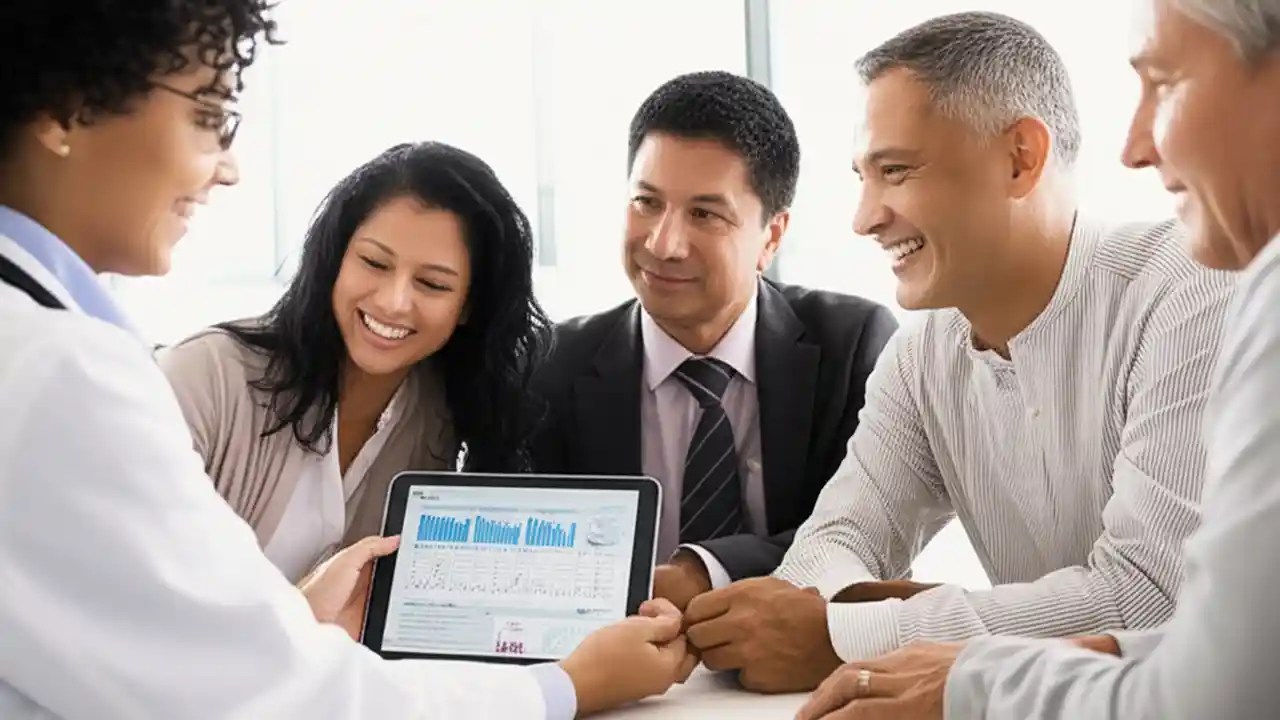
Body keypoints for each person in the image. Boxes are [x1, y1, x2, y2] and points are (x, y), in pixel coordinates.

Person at [0, 3, 691, 718]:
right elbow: (254, 687)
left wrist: (297, 623)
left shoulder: (435, 412)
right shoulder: (67, 372)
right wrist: (567, 686)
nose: (229, 166)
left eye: (433, 284)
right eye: (210, 114)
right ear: (68, 107)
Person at [678, 11, 1236, 693]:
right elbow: (835, 541)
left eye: (897, 171)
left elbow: (1148, 600)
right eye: (863, 176)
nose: (864, 217)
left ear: (1019, 158)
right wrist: (805, 614)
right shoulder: (920, 358)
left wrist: (840, 634)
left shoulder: (1189, 290)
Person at [528, 71, 898, 610]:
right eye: (646, 203)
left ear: (771, 235)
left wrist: (705, 572)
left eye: (704, 214)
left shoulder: (852, 346)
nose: (663, 243)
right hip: (607, 670)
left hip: (790, 676)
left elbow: (869, 537)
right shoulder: (550, 368)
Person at [159, 141, 551, 582]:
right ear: (335, 258)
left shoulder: (440, 414)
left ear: (468, 307)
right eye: (373, 262)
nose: (394, 302)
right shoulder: (205, 375)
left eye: (432, 284)